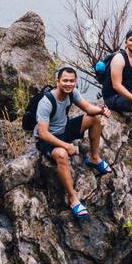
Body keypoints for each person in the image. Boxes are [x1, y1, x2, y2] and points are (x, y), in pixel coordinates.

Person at [33, 65, 112, 220]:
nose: (68, 84)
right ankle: (73, 198)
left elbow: (88, 108)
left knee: (94, 119)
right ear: (57, 81)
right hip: (48, 139)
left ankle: (94, 158)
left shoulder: (72, 93)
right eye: (65, 81)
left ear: (76, 82)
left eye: (72, 81)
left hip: (64, 130)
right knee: (62, 155)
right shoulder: (46, 102)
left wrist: (101, 110)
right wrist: (67, 146)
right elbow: (43, 133)